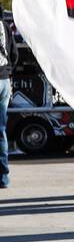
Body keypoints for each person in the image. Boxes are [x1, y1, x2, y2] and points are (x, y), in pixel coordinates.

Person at [0, 11, 19, 190]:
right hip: (4, 80)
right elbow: (14, 54)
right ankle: (3, 178)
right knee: (1, 130)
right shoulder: (5, 26)